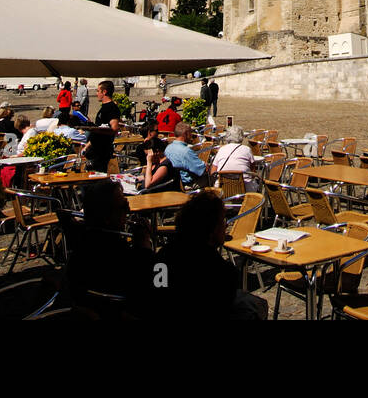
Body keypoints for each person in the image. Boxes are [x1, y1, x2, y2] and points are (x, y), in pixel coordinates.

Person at [152, 191, 267, 320]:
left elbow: (158, 293)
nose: (226, 224)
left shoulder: (162, 258)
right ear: (212, 229)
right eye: (223, 220)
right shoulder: (222, 272)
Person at [65, 179, 155, 313]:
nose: (129, 211)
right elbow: (159, 285)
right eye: (124, 206)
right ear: (107, 216)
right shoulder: (124, 255)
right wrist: (144, 246)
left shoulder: (81, 247)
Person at [83, 80, 124, 173]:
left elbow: (114, 129)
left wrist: (95, 129)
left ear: (104, 92)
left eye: (98, 91)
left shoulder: (111, 108)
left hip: (102, 150)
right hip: (95, 148)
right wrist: (87, 145)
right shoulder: (103, 107)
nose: (97, 93)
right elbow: (100, 126)